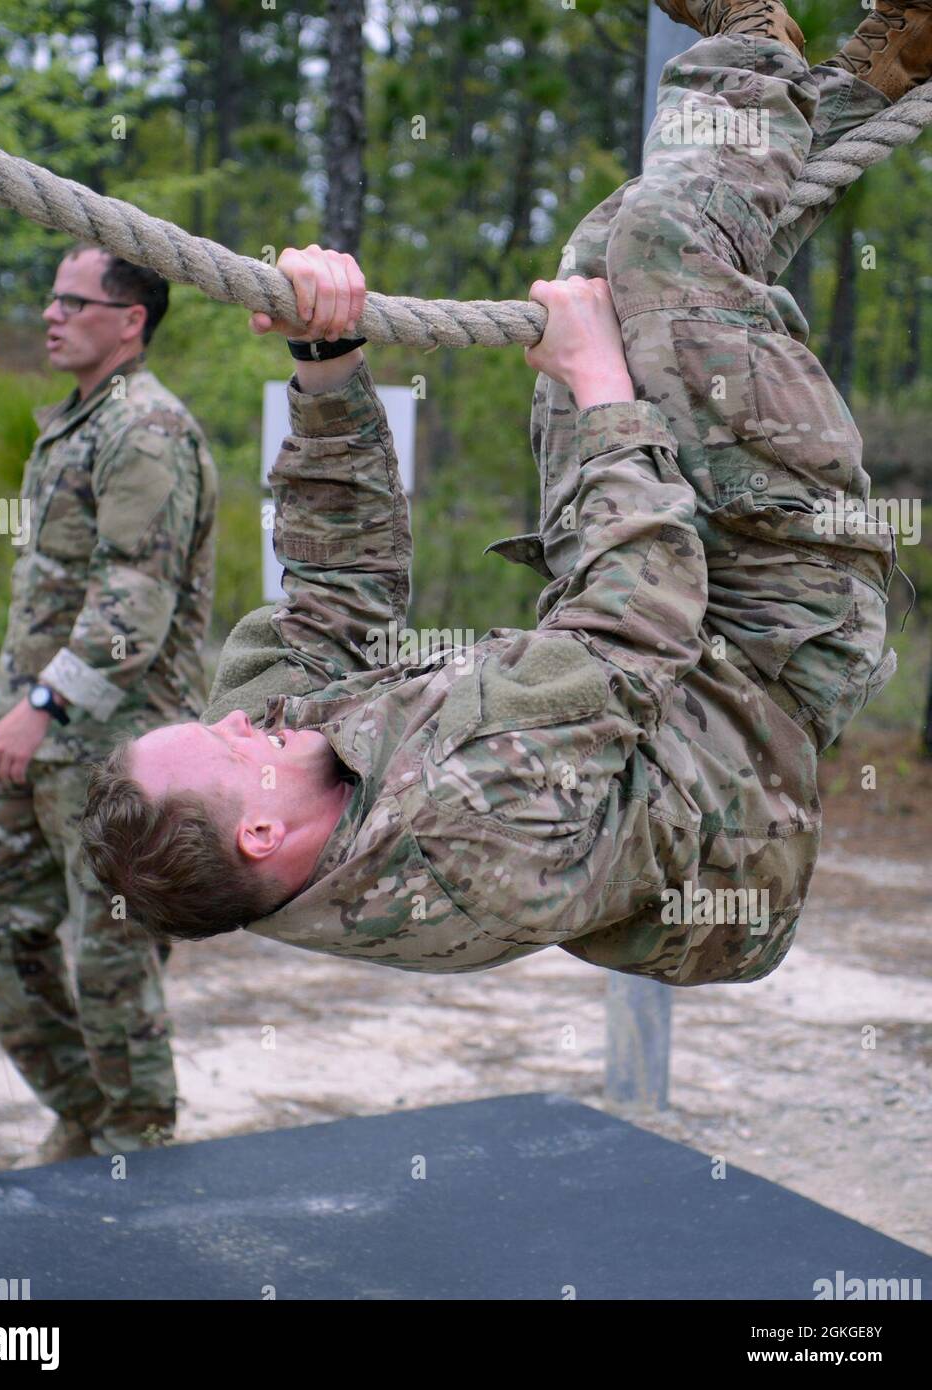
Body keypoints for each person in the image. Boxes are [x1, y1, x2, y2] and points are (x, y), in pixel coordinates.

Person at [81, 0, 921, 987]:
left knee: (597, 269)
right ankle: (750, 38)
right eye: (221, 745)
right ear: (263, 833)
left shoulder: (261, 757)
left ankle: (875, 80)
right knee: (654, 255)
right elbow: (630, 637)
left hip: (654, 608)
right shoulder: (472, 837)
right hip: (775, 627)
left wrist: (326, 368)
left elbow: (335, 587)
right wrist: (601, 384)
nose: (230, 721)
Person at [0, 245, 219, 1162]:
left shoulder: (147, 428)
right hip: (46, 729)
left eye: (73, 301)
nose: (50, 315)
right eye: (50, 300)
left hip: (117, 748)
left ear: (131, 318)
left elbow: (131, 606)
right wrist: (8, 693)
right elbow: (60, 588)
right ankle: (90, 1114)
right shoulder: (78, 421)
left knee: (111, 957)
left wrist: (43, 708)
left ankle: (140, 1152)